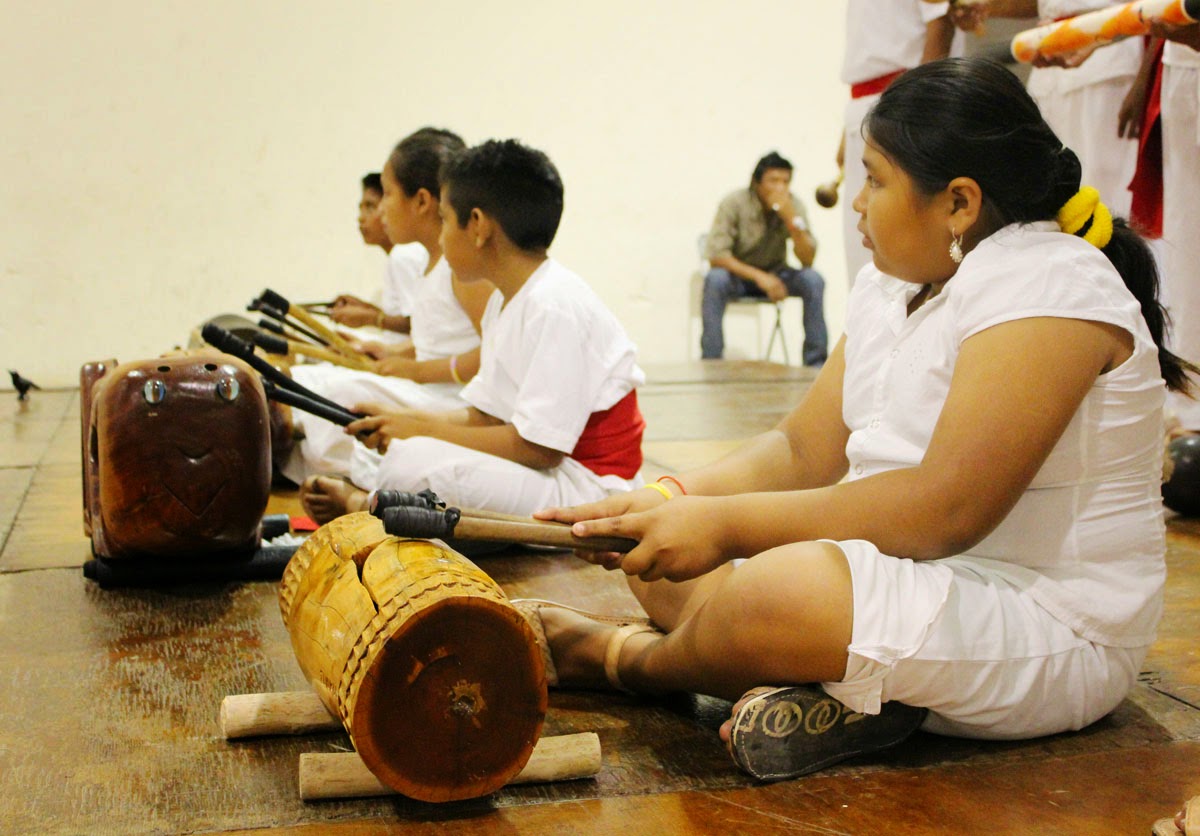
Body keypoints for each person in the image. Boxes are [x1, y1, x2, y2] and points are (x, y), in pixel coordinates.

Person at [527, 57, 1193, 782]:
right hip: (913, 576)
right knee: (656, 564)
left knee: (772, 591)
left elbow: (945, 511)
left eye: (875, 179)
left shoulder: (1047, 279)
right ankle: (852, 696)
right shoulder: (893, 286)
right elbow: (801, 448)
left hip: (1050, 626)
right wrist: (672, 501)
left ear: (960, 204)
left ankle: (627, 661)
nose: (855, 202)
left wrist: (723, 527)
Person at [301, 139, 646, 522]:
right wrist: (403, 422)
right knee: (404, 456)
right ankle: (370, 501)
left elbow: (538, 449)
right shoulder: (507, 300)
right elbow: (485, 416)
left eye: (446, 220)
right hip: (549, 469)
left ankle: (360, 504)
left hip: (589, 489)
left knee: (418, 466)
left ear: (478, 226)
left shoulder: (554, 304)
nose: (443, 235)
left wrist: (421, 431)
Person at [285, 129, 493, 484]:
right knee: (313, 385)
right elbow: (439, 338)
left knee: (336, 393)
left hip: (455, 400)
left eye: (387, 194)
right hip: (431, 388)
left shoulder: (461, 269)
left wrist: (413, 371)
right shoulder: (433, 262)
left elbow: (493, 353)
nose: (380, 209)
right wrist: (391, 353)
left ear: (423, 201)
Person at [949, 0, 1143, 219]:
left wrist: (1144, 80)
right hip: (1048, 53)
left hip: (1107, 61)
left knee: (1104, 190)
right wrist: (988, 6)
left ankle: (1113, 253)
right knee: (1048, 191)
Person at [840, 0, 956, 287]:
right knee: (860, 251)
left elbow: (940, 23)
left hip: (902, 105)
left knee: (895, 253)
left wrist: (917, 109)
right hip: (863, 107)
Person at [700, 152, 828, 366]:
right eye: (773, 181)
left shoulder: (793, 206)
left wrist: (791, 221)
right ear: (757, 183)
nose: (780, 188)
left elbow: (808, 259)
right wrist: (759, 277)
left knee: (813, 279)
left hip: (777, 273)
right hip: (738, 276)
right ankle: (711, 362)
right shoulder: (735, 202)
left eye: (785, 181)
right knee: (715, 279)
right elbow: (716, 255)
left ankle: (815, 364)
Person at [326, 172, 428, 342]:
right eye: (361, 207)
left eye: (370, 206)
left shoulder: (403, 255)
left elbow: (420, 325)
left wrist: (370, 318)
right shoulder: (400, 255)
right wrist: (366, 309)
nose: (360, 218)